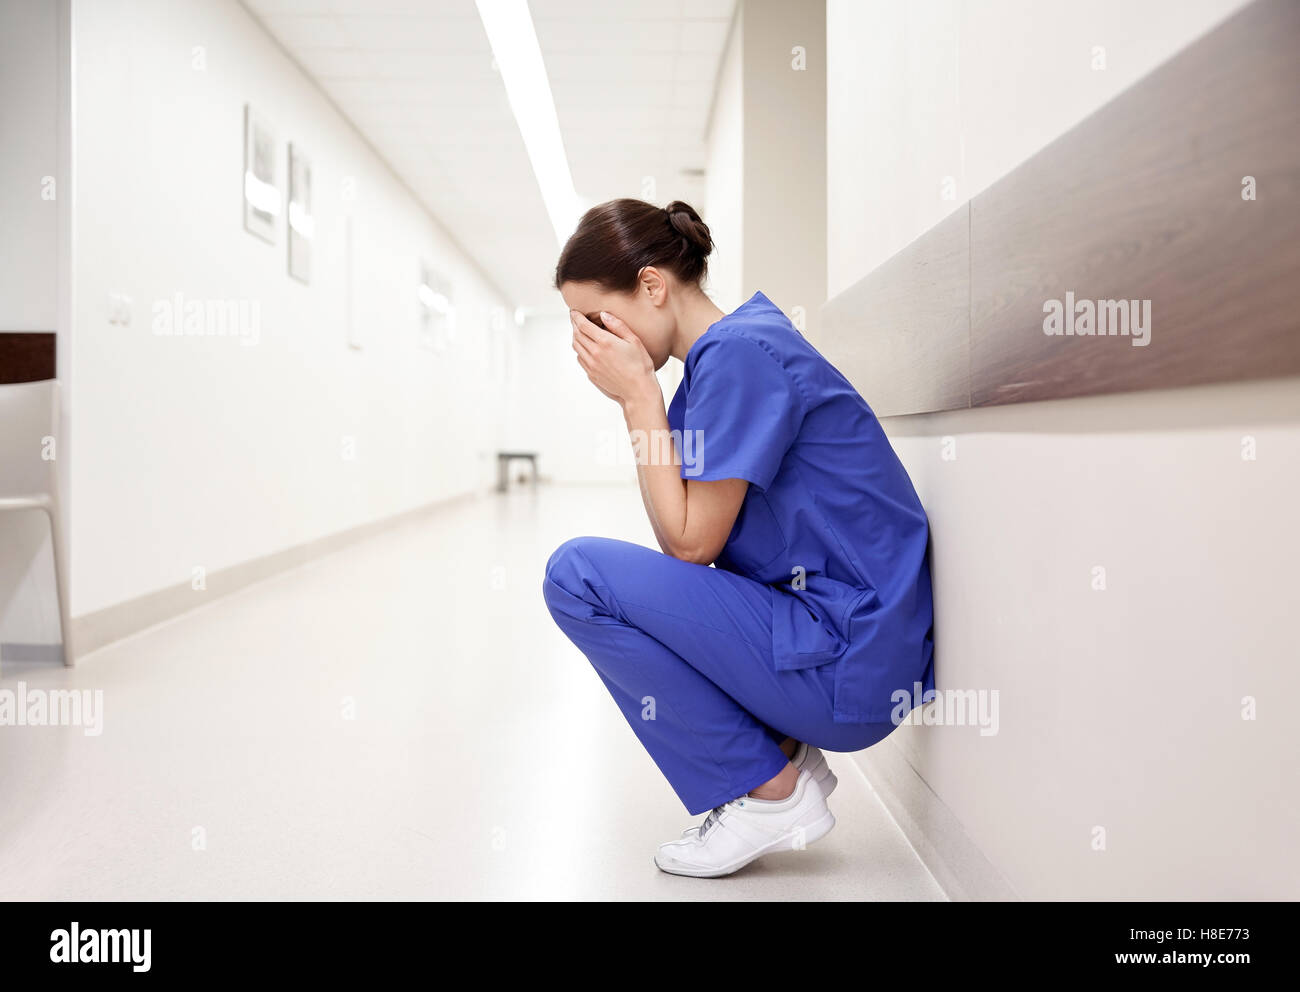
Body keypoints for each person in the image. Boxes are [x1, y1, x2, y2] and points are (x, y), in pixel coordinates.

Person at [542, 198, 935, 878]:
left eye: (597, 319)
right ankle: (777, 755)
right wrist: (648, 399)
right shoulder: (716, 365)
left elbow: (688, 544)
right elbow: (686, 547)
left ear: (652, 285)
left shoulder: (740, 357)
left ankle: (770, 791)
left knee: (577, 575)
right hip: (840, 645)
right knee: (621, 586)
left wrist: (640, 399)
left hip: (851, 659)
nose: (592, 343)